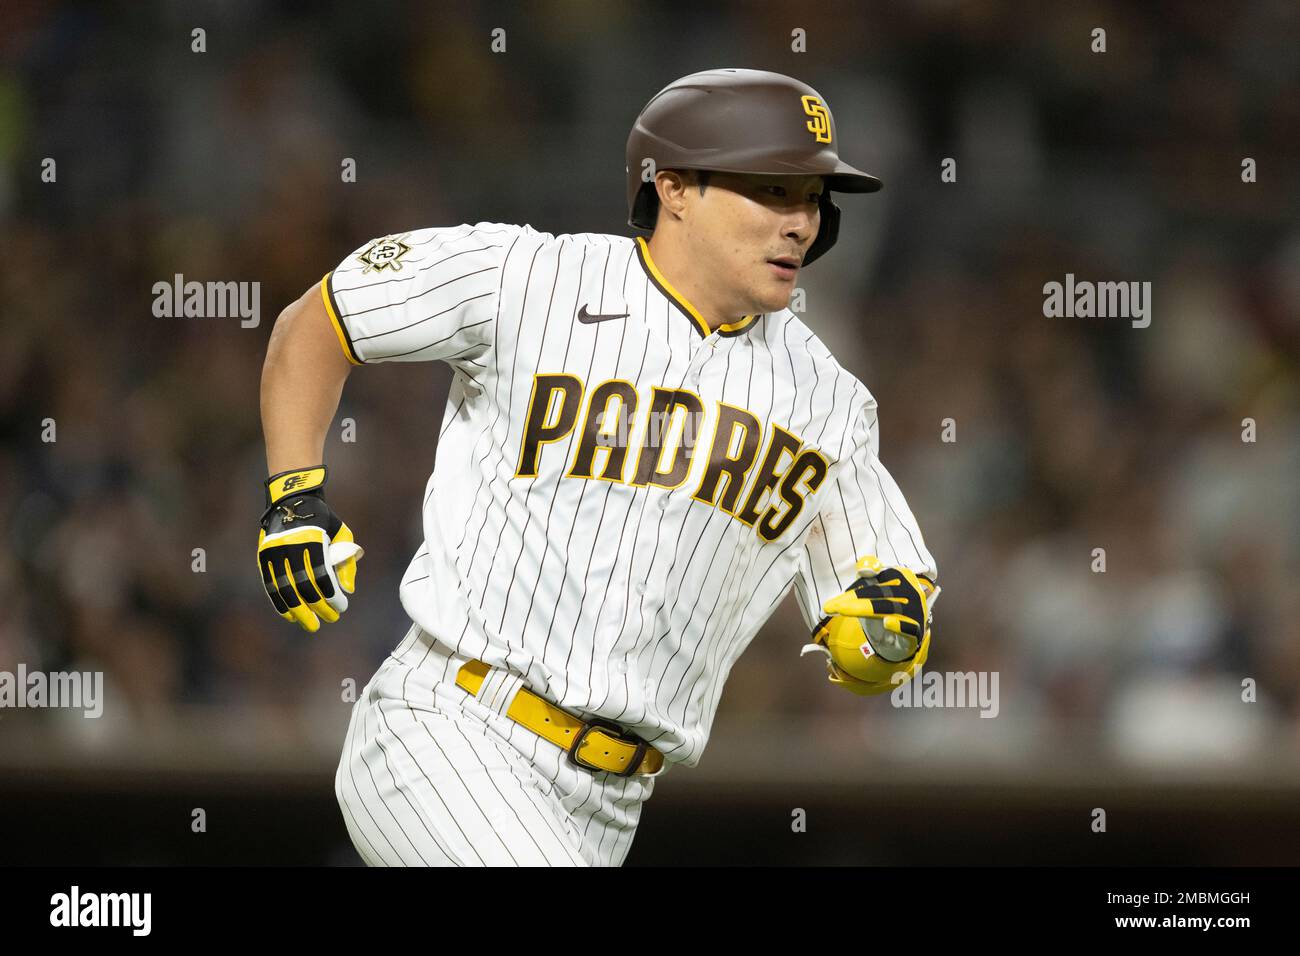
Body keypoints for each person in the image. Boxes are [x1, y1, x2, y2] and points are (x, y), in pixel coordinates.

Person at [257, 68, 939, 867]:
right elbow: (320, 321)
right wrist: (294, 496)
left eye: (813, 200)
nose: (800, 223)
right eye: (772, 191)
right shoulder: (529, 277)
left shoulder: (829, 399)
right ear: (675, 188)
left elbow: (889, 594)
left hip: (616, 801)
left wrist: (892, 630)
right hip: (451, 728)